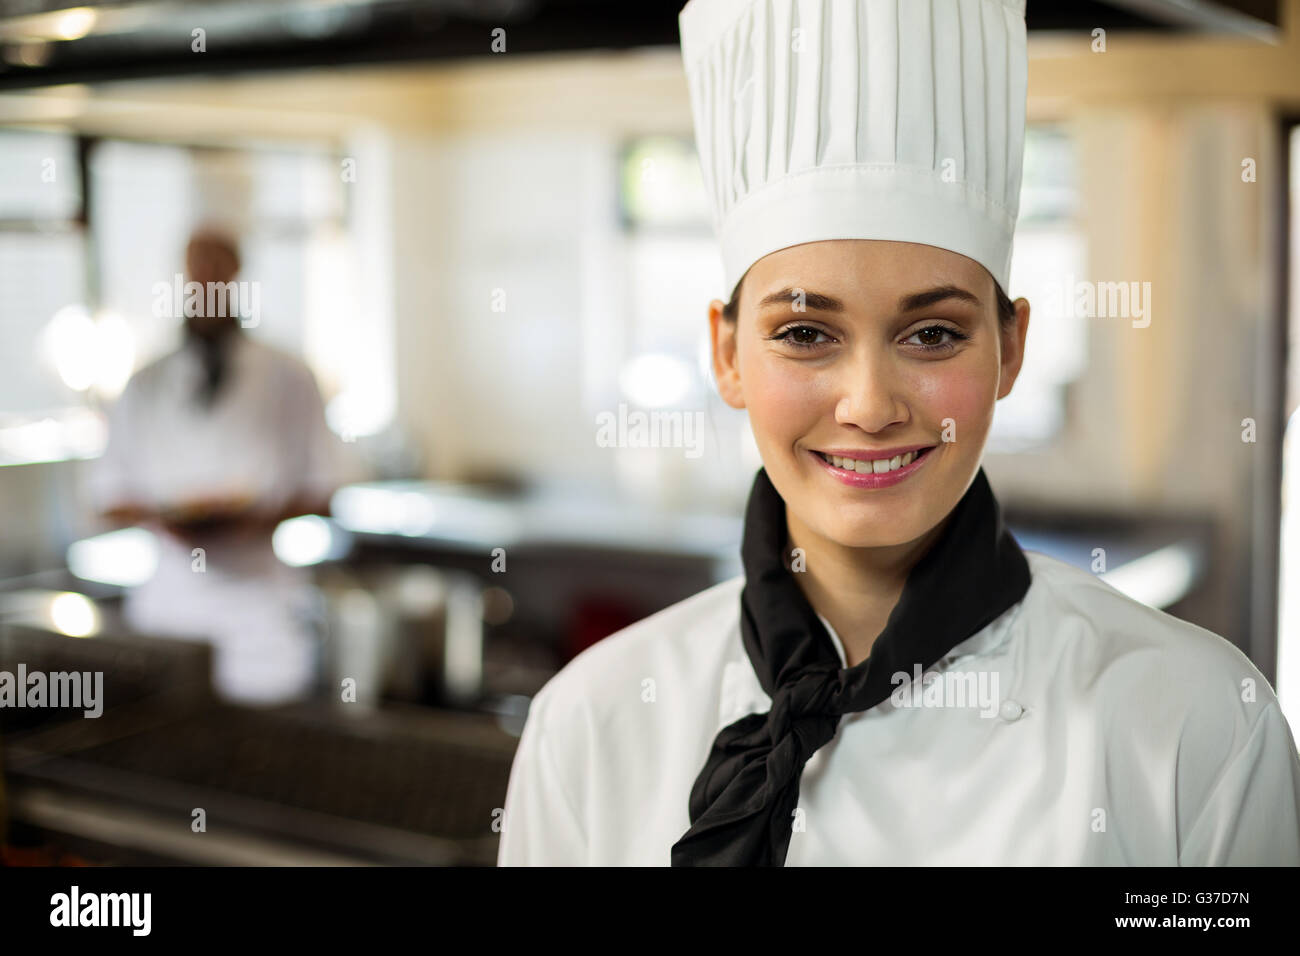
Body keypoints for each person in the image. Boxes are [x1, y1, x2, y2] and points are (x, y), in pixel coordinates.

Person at [498, 0, 1300, 865]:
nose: (870, 404)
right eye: (806, 334)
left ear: (1011, 348)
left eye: (933, 333)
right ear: (727, 354)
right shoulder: (587, 725)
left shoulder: (1197, 725)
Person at [88, 228, 343, 707]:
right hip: (170, 605)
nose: (206, 281)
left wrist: (257, 518)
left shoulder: (289, 375)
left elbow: (324, 488)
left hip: (261, 605)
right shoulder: (146, 382)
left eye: (217, 270)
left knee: (268, 742)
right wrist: (165, 519)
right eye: (196, 270)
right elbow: (107, 495)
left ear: (238, 275)